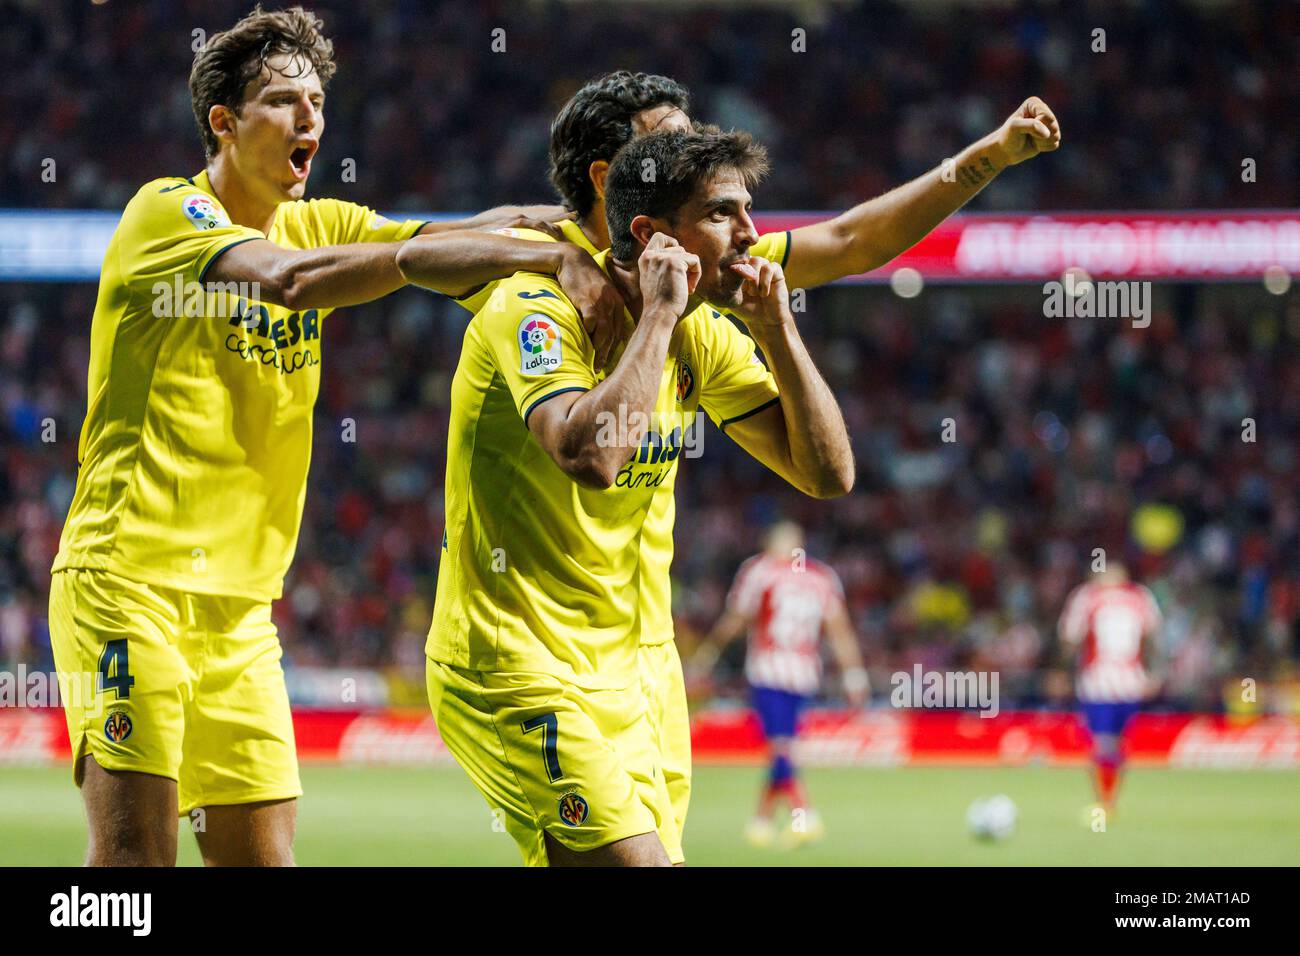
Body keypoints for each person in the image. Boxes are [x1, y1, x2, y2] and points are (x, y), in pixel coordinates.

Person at [399, 69, 1061, 853]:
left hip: (642, 672)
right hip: (518, 656)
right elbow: (413, 256)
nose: (743, 221)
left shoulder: (702, 272)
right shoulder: (533, 287)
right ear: (622, 190)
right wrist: (618, 290)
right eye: (674, 144)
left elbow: (851, 245)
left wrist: (984, 158)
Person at [47, 5, 622, 867]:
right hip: (127, 583)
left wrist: (581, 230)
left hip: (242, 613)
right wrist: (532, 259)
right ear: (224, 122)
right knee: (135, 866)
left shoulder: (327, 222)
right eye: (284, 100)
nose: (310, 116)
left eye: (317, 99)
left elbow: (454, 233)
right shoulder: (165, 214)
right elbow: (291, 281)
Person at [415, 126, 854, 866]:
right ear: (651, 237)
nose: (751, 235)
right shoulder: (532, 309)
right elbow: (592, 456)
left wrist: (777, 330)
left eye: (749, 211)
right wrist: (656, 314)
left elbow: (828, 475)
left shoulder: (704, 333)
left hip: (635, 677)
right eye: (722, 214)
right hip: (514, 662)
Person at [695, 521, 867, 847]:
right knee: (782, 748)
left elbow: (736, 617)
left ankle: (806, 816)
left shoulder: (760, 571)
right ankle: (760, 822)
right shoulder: (821, 577)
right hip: (804, 675)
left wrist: (708, 653)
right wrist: (853, 675)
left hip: (768, 672)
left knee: (780, 749)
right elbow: (840, 630)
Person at [1059, 563, 1163, 816]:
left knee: (1108, 744)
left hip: (1102, 683)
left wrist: (1062, 671)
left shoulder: (1088, 597)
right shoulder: (1140, 596)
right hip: (1122, 683)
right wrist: (1156, 673)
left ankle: (1107, 801)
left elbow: (1069, 639)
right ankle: (1107, 802)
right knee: (1110, 743)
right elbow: (1156, 639)